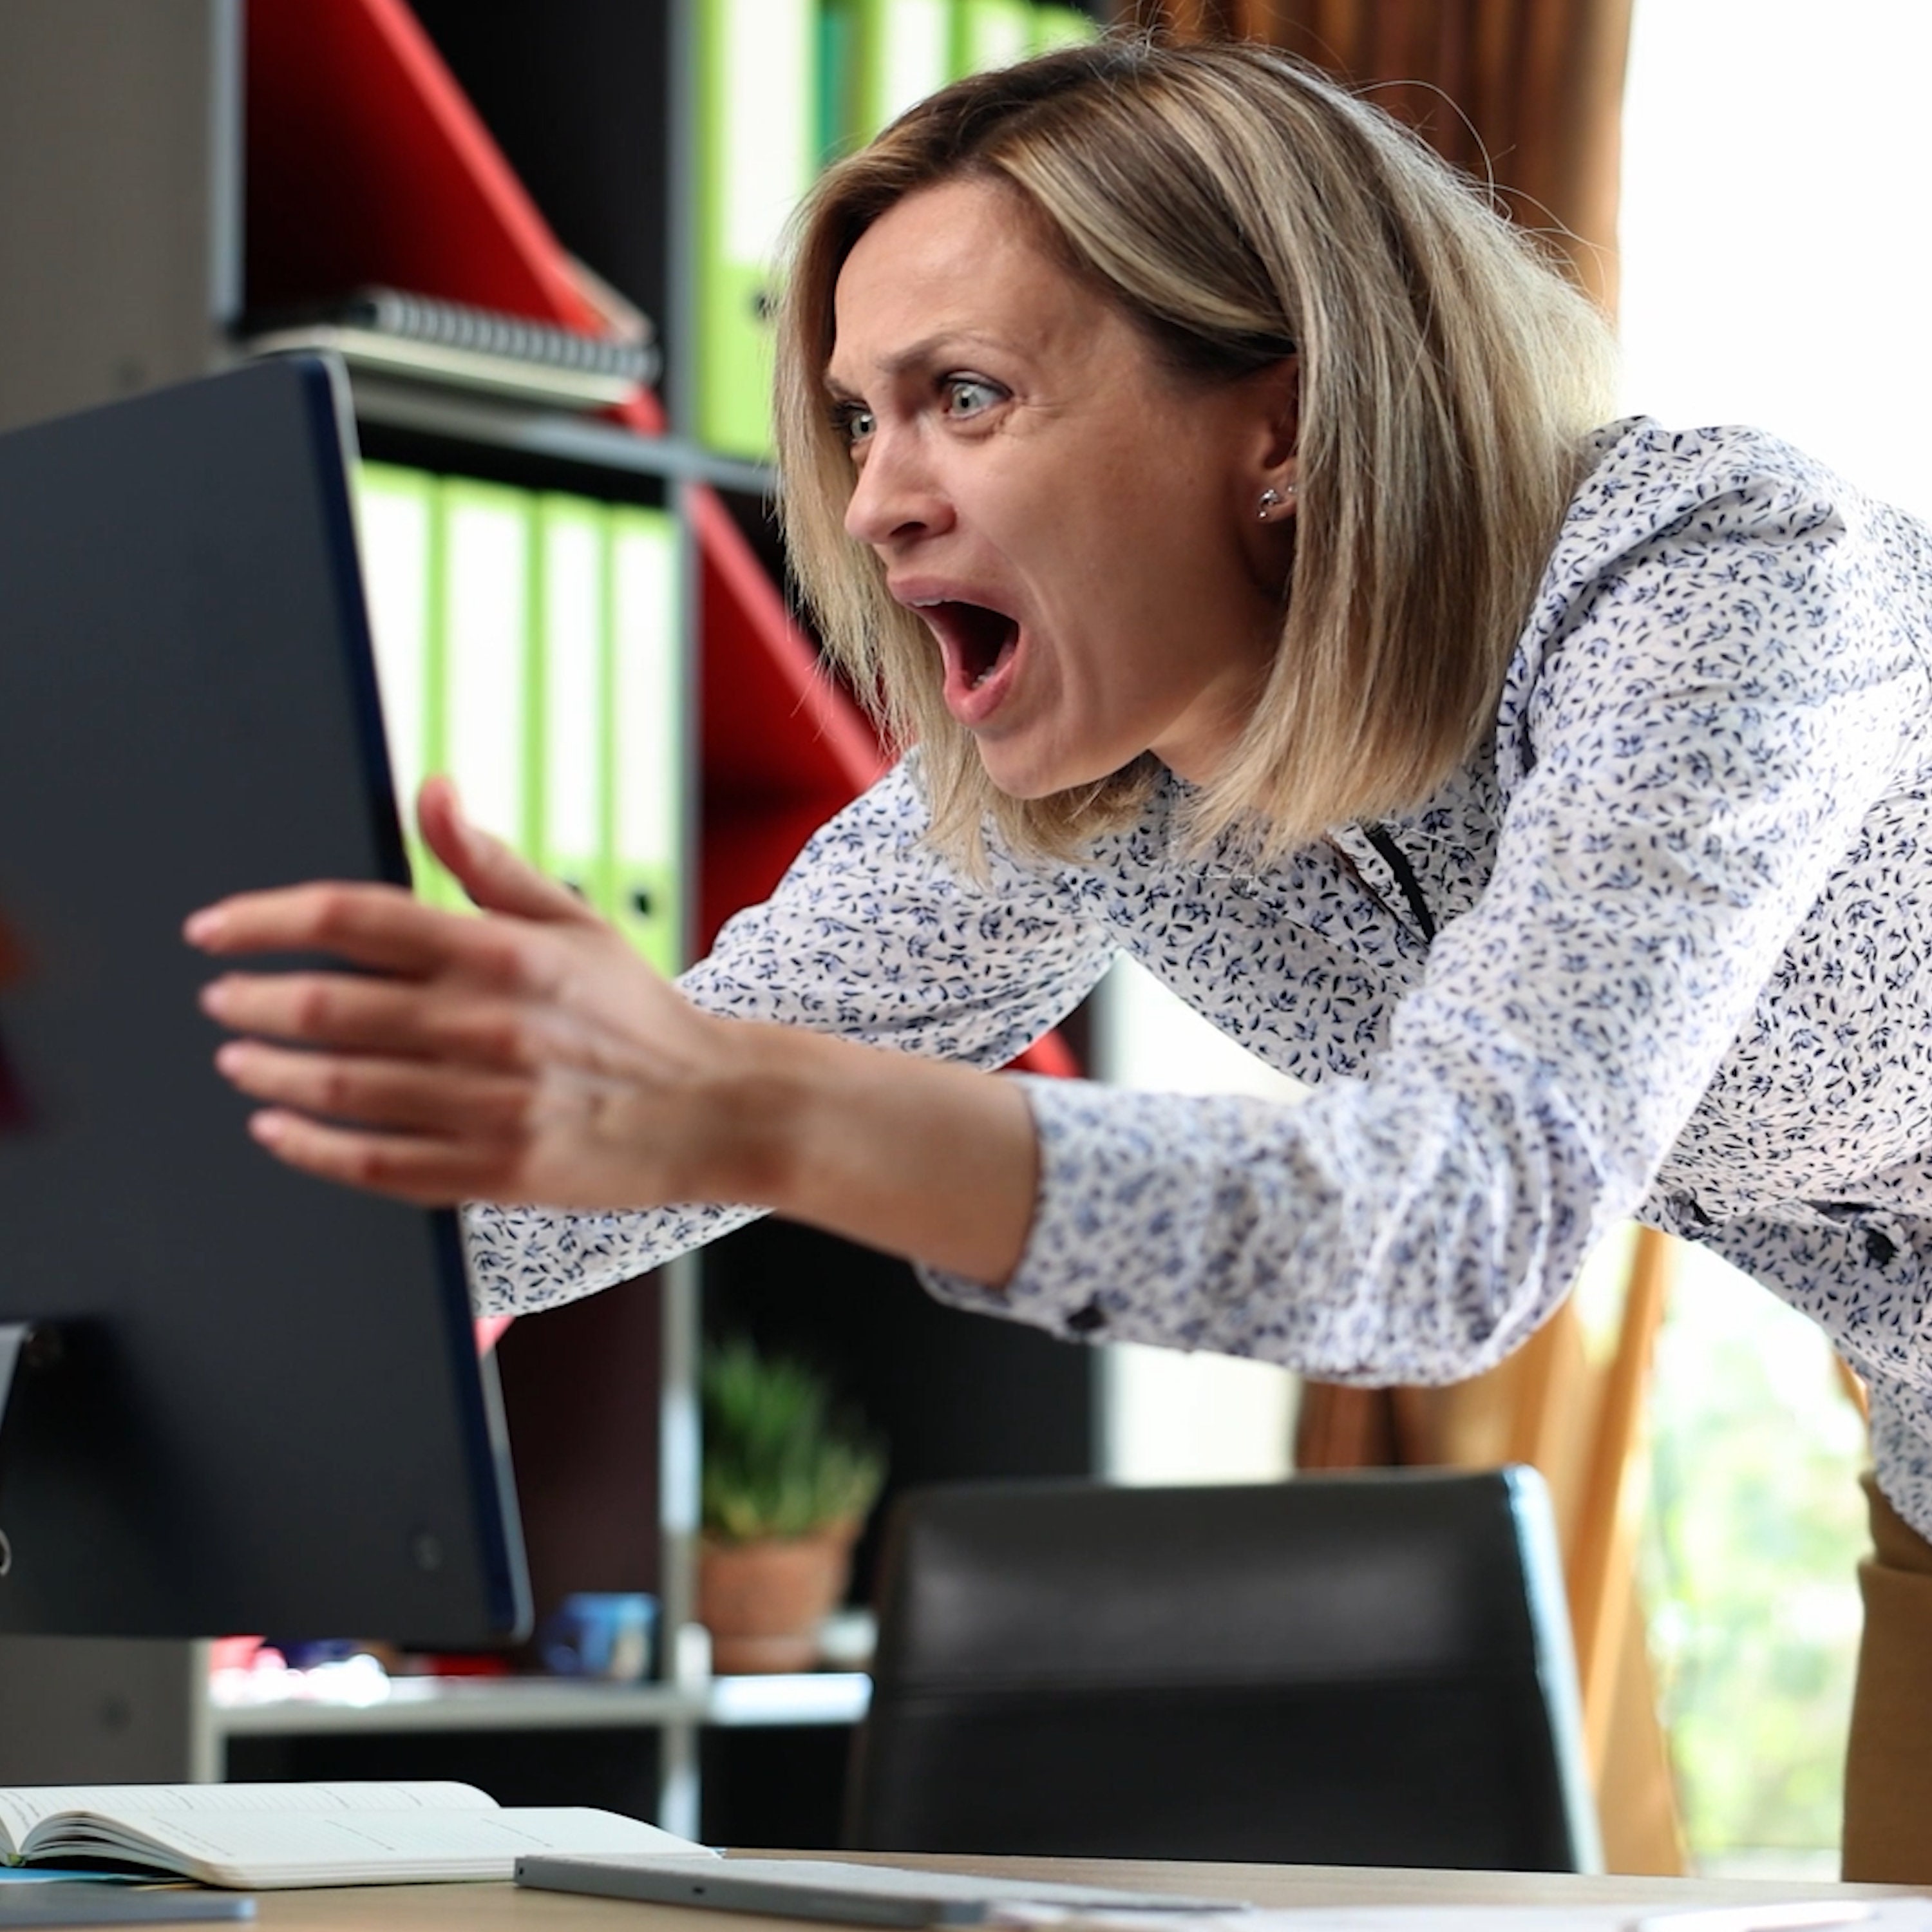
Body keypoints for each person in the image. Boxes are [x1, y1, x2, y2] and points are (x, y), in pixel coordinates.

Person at [183, 38, 1932, 1879]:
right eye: (863, 417)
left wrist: (761, 1115)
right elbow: (602, 1152)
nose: (873, 503)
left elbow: (1447, 1221)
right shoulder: (1112, 779)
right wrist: (139, 1255)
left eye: (966, 395)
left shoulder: (1719, 583)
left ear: (1285, 424)